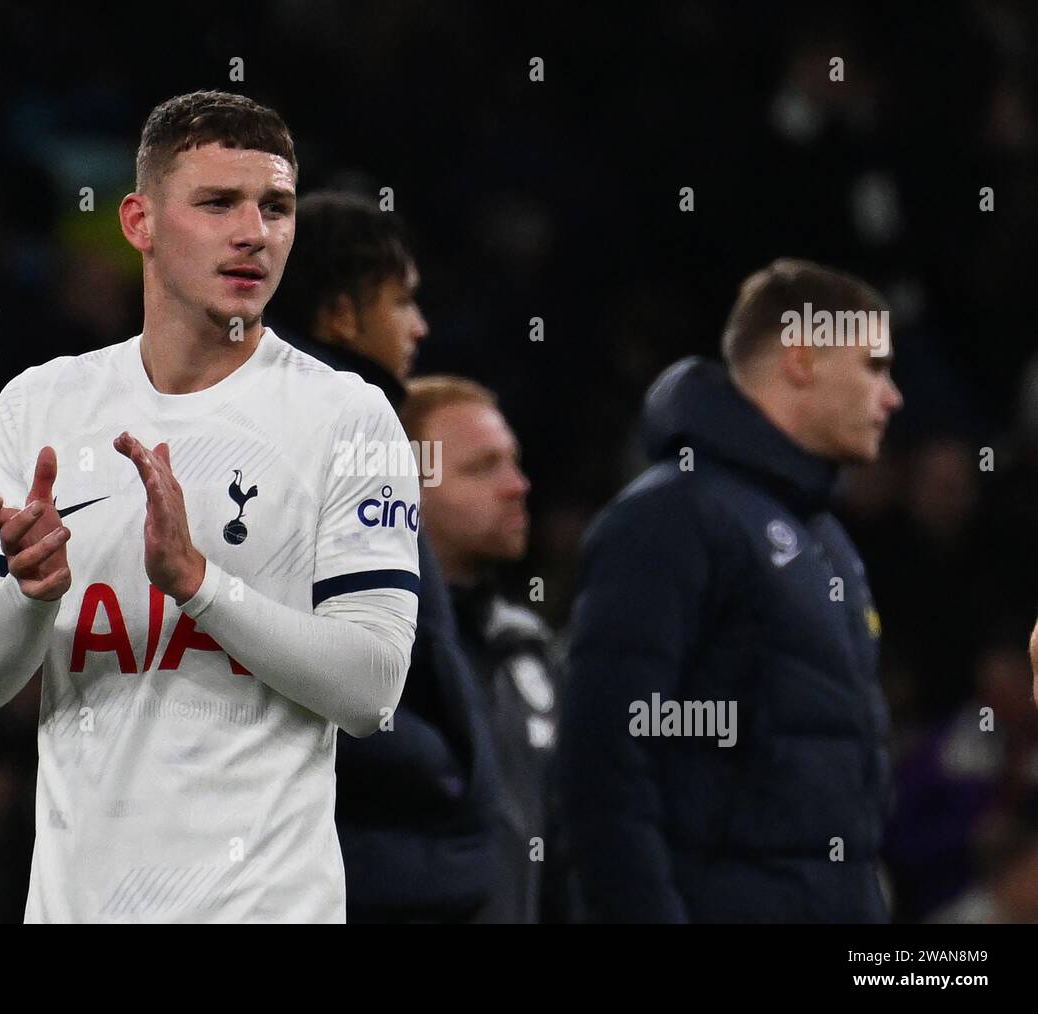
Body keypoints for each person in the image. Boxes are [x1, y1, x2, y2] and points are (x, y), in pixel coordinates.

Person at [0, 92, 421, 923]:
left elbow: (373, 686)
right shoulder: (43, 405)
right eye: (217, 203)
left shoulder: (349, 417)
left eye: (275, 207)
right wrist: (28, 595)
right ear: (140, 222)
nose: (254, 232)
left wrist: (200, 585)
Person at [560, 258, 903, 922]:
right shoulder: (671, 517)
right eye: (875, 367)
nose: (892, 398)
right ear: (802, 360)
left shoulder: (825, 537)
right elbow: (602, 766)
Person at [268, 192, 503, 922]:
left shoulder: (349, 427)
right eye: (402, 301)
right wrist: (441, 765)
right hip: (348, 869)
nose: (420, 326)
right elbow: (306, 669)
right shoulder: (310, 435)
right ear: (341, 315)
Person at [400, 375, 560, 923]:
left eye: (513, 462)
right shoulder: (371, 656)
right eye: (482, 467)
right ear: (405, 487)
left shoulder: (528, 650)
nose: (517, 485)